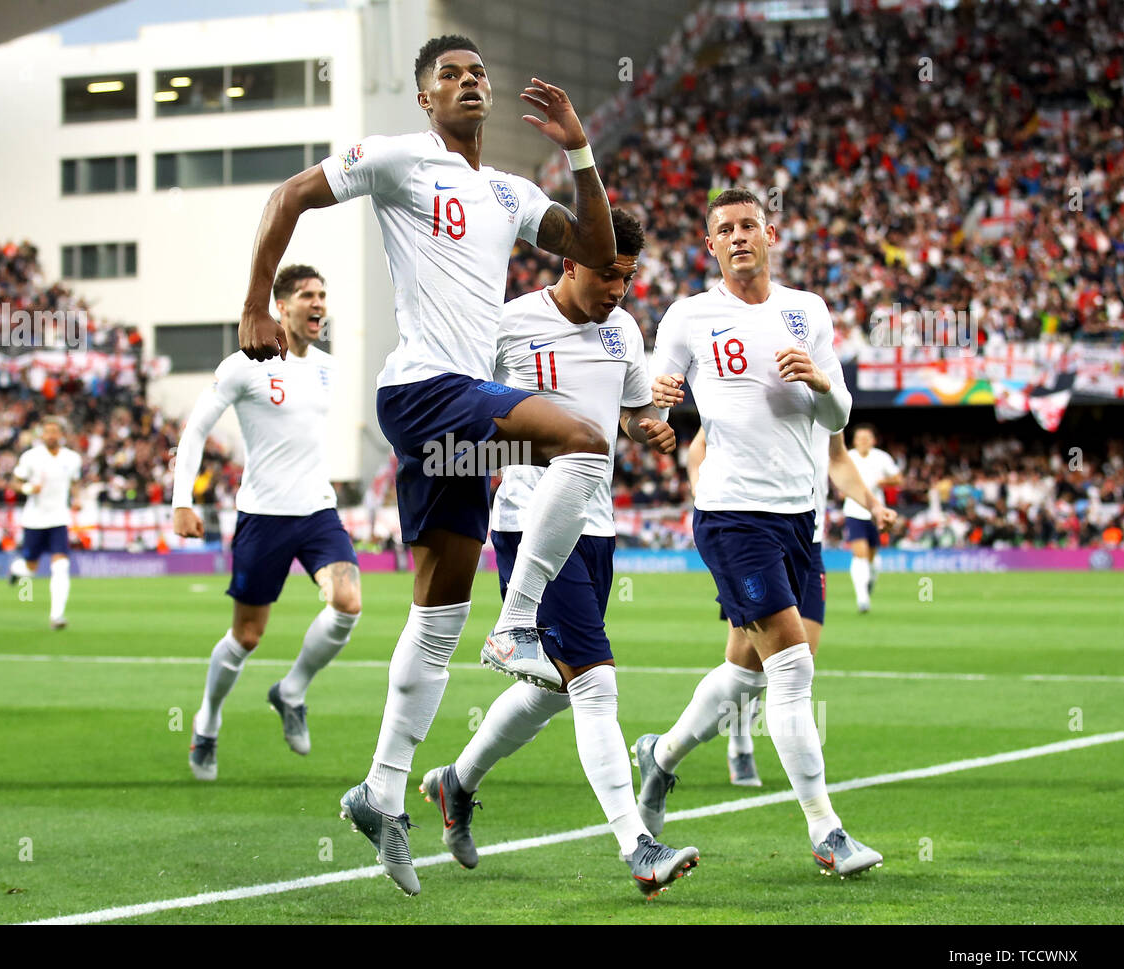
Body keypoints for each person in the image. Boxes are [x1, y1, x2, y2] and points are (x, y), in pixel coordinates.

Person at [234, 34, 617, 894]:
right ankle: (519, 623)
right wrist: (255, 301)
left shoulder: (512, 193)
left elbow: (596, 249)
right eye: (451, 75)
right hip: (422, 390)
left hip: (450, 422)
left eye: (478, 73)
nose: (469, 83)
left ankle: (380, 789)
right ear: (424, 99)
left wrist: (579, 149)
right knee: (584, 442)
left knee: (437, 616)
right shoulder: (405, 161)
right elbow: (291, 192)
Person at [417, 209, 699, 896]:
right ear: (569, 261)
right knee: (596, 683)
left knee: (552, 691)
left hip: (594, 527)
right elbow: (452, 421)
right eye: (608, 275)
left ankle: (457, 782)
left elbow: (631, 417)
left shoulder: (624, 330)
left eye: (628, 279)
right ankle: (638, 846)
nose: (618, 290)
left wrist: (651, 429)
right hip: (526, 521)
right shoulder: (508, 325)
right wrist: (529, 452)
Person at [640, 186, 882, 879]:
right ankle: (827, 833)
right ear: (710, 244)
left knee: (745, 677)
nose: (739, 236)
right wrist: (655, 413)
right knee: (795, 667)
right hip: (731, 514)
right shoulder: (689, 317)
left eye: (749, 224)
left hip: (801, 520)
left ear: (770, 233)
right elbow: (657, 393)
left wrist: (819, 383)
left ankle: (660, 758)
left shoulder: (807, 312)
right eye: (726, 229)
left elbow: (838, 419)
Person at [635, 422, 895, 805]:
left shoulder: (824, 389)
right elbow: (698, 450)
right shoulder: (746, 383)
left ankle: (662, 754)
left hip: (809, 543)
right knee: (761, 665)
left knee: (794, 664)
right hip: (752, 539)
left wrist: (872, 504)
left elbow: (836, 458)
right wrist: (702, 491)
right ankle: (744, 750)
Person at [173, 264, 360, 779]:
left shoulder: (329, 368)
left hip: (318, 511)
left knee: (347, 602)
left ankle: (292, 689)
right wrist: (180, 502)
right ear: (282, 306)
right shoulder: (243, 366)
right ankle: (207, 722)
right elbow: (194, 432)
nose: (318, 303)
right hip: (262, 516)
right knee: (248, 636)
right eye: (307, 295)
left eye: (322, 294)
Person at [8, 418, 82, 629]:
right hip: (35, 520)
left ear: (61, 434)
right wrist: (28, 489)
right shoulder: (31, 457)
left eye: (54, 432)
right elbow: (15, 482)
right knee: (30, 568)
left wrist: (76, 499)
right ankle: (16, 569)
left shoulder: (72, 458)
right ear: (41, 435)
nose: (51, 435)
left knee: (61, 566)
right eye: (47, 432)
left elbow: (74, 483)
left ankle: (57, 616)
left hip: (59, 519)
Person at [844, 424, 902, 613]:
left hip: (875, 512)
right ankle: (862, 599)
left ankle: (869, 582)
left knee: (871, 558)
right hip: (854, 510)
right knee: (859, 553)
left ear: (873, 440)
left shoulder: (881, 457)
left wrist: (880, 482)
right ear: (854, 441)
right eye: (860, 438)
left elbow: (898, 479)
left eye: (867, 438)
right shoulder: (849, 457)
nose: (863, 441)